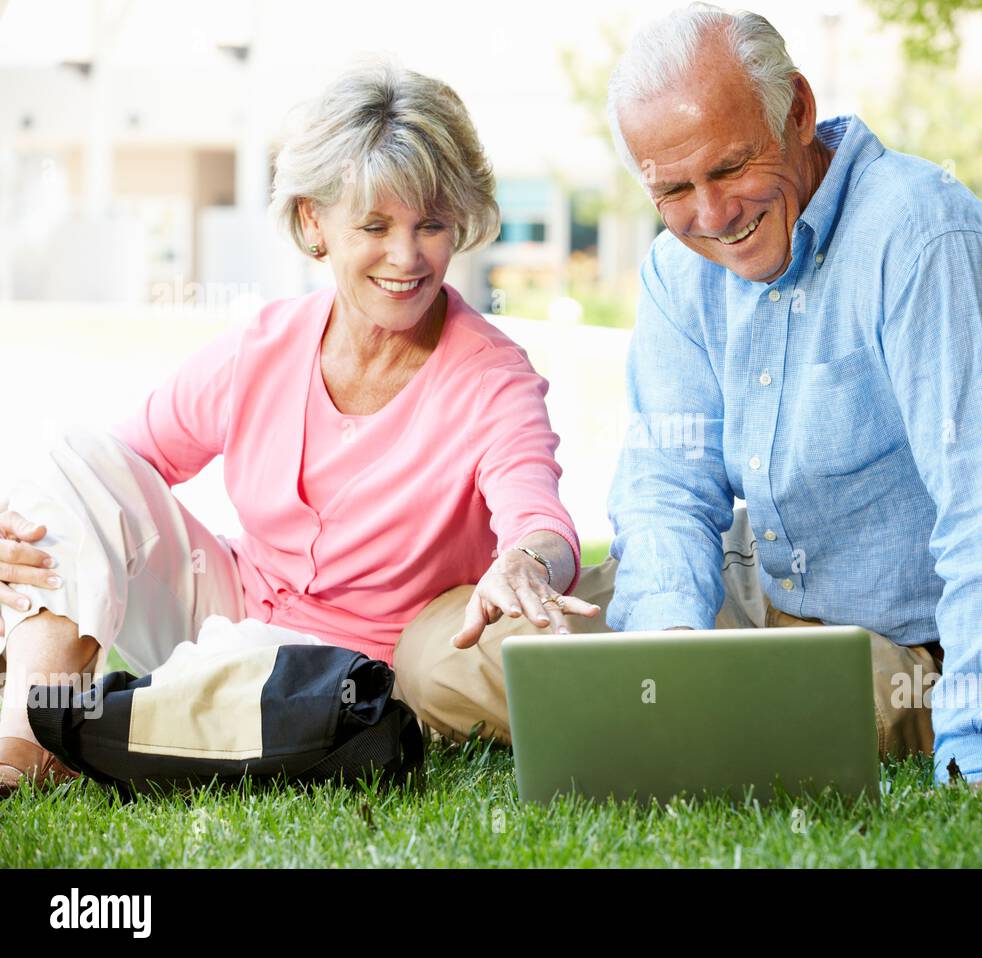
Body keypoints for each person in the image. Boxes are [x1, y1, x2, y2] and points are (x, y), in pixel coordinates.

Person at [401, 3, 982, 792]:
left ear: (796, 111)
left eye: (728, 169)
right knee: (437, 657)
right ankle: (680, 703)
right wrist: (668, 647)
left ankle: (677, 716)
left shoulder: (928, 244)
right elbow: (667, 487)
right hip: (752, 600)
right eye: (673, 189)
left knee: (720, 703)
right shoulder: (676, 270)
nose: (712, 217)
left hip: (903, 650)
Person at [0, 61, 598, 796]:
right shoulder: (267, 343)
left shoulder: (491, 377)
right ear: (315, 221)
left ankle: (74, 714)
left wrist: (527, 563)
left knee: (232, 660)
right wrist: (40, 529)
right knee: (71, 460)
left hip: (340, 677)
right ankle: (31, 735)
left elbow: (538, 516)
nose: (407, 258)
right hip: (223, 603)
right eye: (374, 226)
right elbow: (115, 470)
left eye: (432, 225)